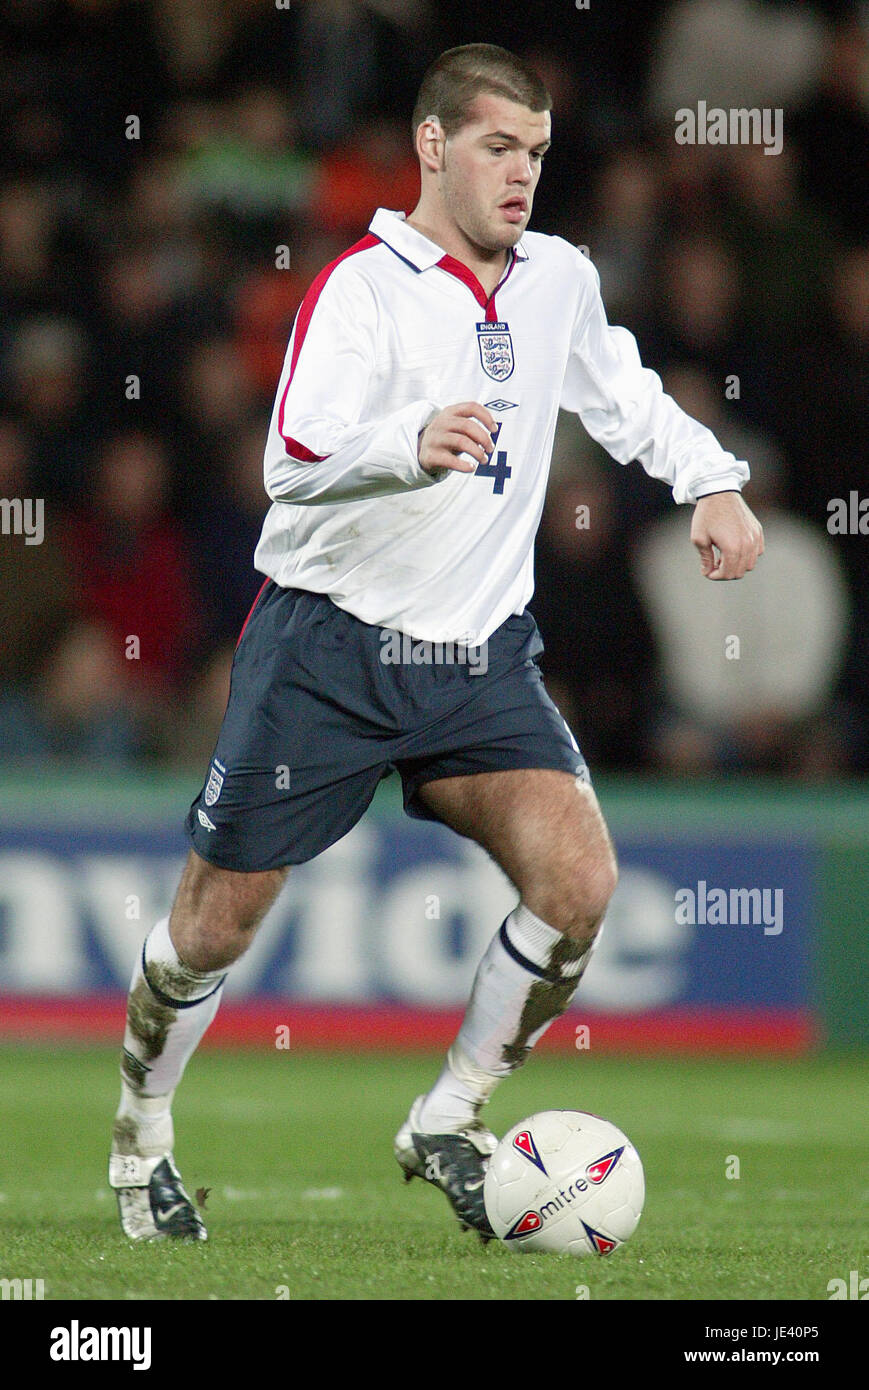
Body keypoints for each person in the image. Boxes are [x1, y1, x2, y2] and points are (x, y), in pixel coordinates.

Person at [108, 44, 763, 1243]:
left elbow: (620, 394)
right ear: (431, 146)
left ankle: (448, 1114)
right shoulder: (358, 288)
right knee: (213, 926)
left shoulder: (557, 276)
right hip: (326, 649)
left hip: (476, 657)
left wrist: (708, 482)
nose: (521, 176)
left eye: (536, 153)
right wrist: (406, 441)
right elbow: (288, 465)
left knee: (577, 884)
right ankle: (139, 1136)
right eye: (497, 147)